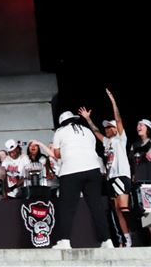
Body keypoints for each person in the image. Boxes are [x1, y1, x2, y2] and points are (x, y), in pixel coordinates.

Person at [35, 110, 111, 249]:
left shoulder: (60, 132)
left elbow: (57, 155)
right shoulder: (87, 131)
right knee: (96, 206)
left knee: (67, 208)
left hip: (71, 171)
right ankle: (107, 240)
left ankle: (65, 241)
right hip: (93, 169)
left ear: (61, 123)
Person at [81, 89, 133, 246]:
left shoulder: (120, 139)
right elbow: (96, 131)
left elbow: (118, 120)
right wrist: (88, 120)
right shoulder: (107, 142)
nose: (107, 129)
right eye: (106, 128)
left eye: (110, 127)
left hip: (122, 175)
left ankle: (135, 234)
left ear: (116, 129)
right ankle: (126, 239)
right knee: (116, 210)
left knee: (124, 208)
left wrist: (113, 101)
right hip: (111, 178)